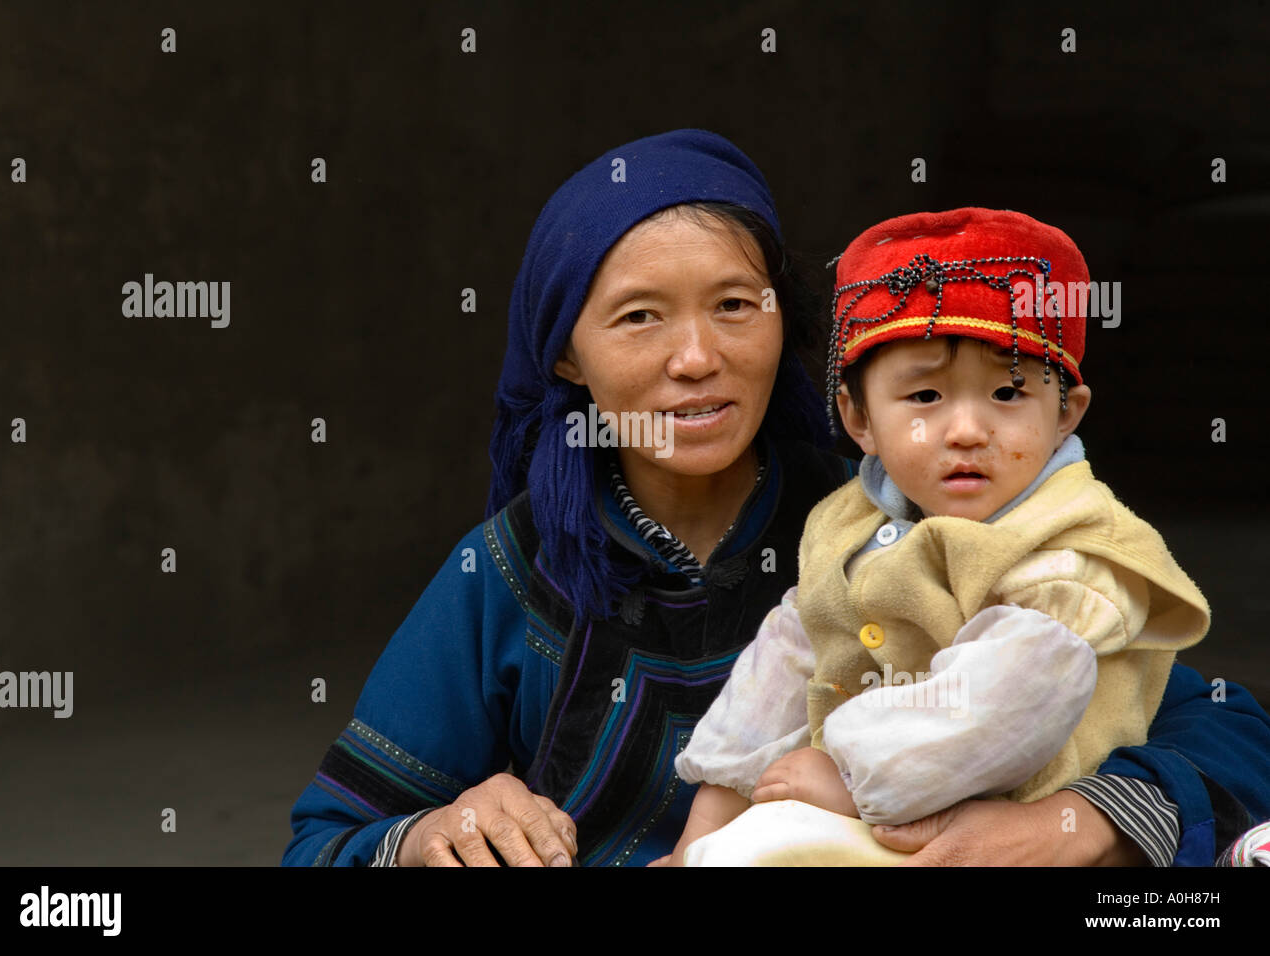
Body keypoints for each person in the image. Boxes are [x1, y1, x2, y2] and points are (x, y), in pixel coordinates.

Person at [281, 132, 1270, 868]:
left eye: (734, 304)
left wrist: (1068, 823)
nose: (697, 357)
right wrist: (424, 835)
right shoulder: (508, 570)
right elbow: (322, 839)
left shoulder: (900, 525)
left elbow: (1221, 727)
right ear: (565, 355)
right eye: (638, 317)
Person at [671, 208, 1215, 865]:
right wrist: (704, 826)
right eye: (925, 396)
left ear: (1066, 414)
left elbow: (1007, 697)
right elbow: (788, 655)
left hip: (1014, 833)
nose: (965, 430)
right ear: (860, 419)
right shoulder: (848, 524)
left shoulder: (1073, 548)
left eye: (1008, 393)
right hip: (861, 813)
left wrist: (845, 771)